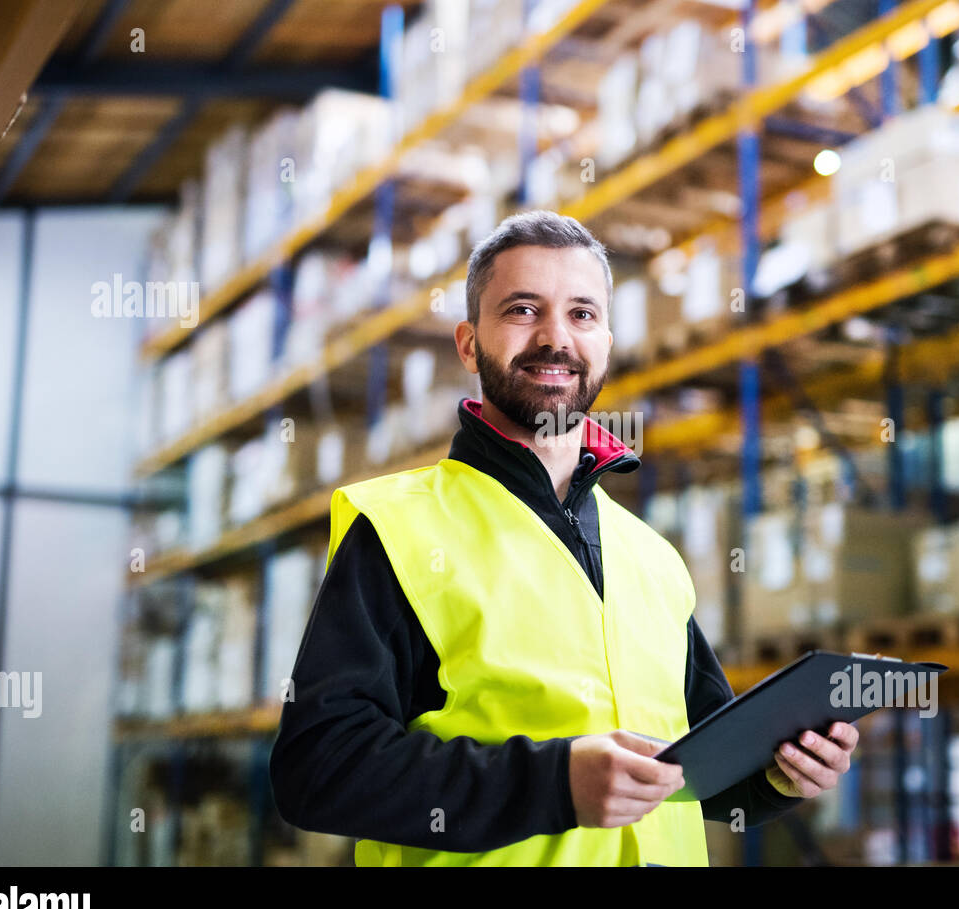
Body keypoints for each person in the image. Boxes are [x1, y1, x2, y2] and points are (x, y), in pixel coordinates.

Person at [268, 209, 859, 866]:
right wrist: (553, 785)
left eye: (582, 314)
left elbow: (697, 769)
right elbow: (318, 770)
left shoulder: (650, 556)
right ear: (468, 344)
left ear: (606, 340)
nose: (555, 338)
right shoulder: (399, 530)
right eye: (523, 310)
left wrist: (780, 773)